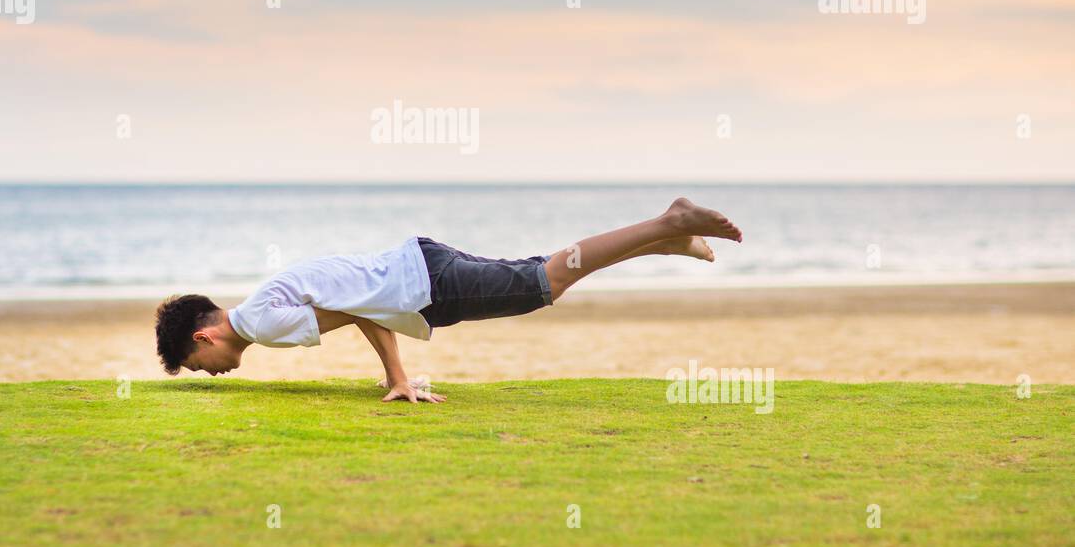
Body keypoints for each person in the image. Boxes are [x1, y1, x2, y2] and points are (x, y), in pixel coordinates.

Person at [154, 197, 742, 403]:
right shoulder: (262, 310)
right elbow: (360, 302)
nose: (207, 371)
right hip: (421, 272)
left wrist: (399, 377)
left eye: (194, 365)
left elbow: (363, 307)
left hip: (424, 283)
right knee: (542, 280)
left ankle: (666, 223)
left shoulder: (260, 323)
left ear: (204, 337)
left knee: (544, 280)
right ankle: (663, 240)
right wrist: (398, 374)